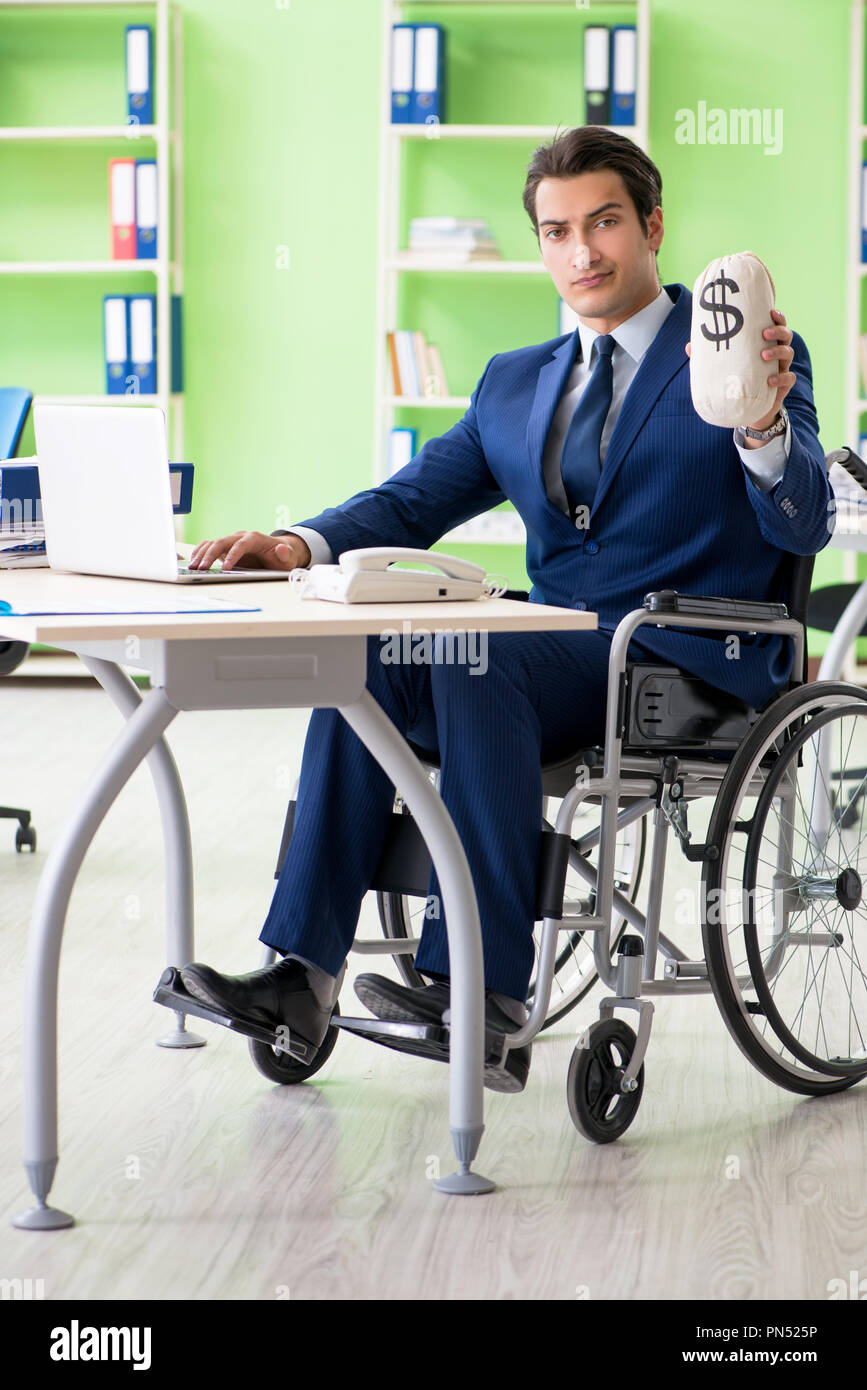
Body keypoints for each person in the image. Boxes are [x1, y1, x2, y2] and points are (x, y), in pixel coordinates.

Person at [177, 127, 831, 1092]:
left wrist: (762, 424)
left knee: (476, 650)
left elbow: (805, 520)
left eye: (604, 222)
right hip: (553, 654)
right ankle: (301, 978)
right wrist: (295, 544)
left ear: (651, 226)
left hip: (683, 658)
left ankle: (481, 991)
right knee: (361, 655)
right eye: (556, 231)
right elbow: (409, 502)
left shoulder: (734, 352)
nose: (582, 252)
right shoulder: (515, 382)